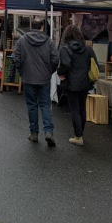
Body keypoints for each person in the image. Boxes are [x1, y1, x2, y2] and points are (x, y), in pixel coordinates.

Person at [14, 19, 58, 147]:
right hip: (44, 78)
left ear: (30, 27)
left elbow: (16, 58)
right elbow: (55, 59)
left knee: (32, 105)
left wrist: (21, 71)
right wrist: (49, 71)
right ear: (42, 27)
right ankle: (48, 131)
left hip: (28, 77)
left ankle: (34, 133)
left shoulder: (22, 40)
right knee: (45, 105)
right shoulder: (49, 41)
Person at [57, 24, 98, 147]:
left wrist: (60, 72)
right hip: (85, 83)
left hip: (71, 83)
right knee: (82, 108)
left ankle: (78, 136)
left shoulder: (65, 49)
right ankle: (81, 133)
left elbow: (66, 65)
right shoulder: (88, 49)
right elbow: (94, 64)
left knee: (74, 109)